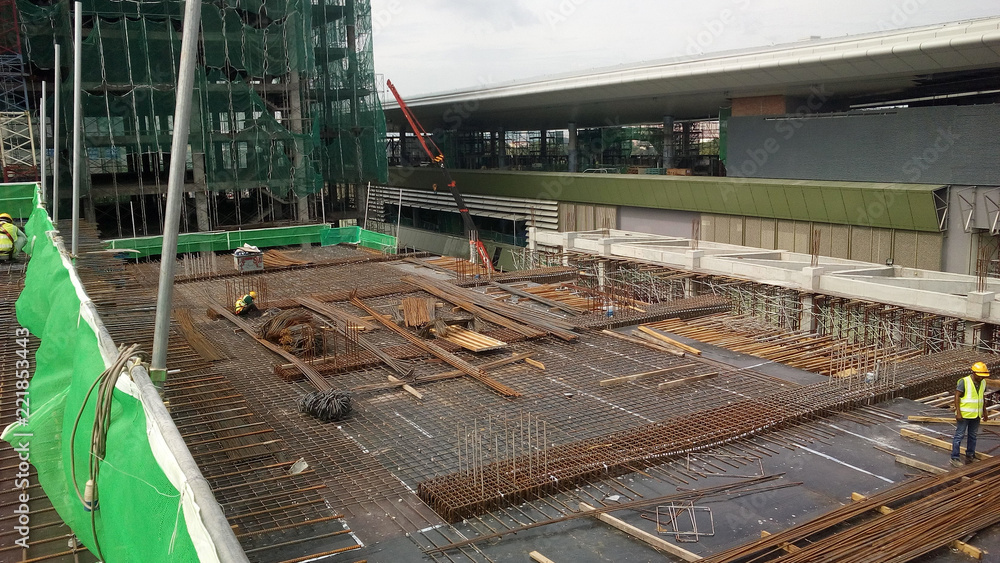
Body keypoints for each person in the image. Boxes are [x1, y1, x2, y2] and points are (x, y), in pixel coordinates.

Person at [951, 362, 991, 467]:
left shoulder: (983, 382)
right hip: (964, 415)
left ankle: (970, 455)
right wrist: (958, 413)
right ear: (974, 372)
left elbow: (981, 397)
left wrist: (985, 412)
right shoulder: (964, 382)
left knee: (973, 436)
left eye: (983, 376)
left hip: (976, 415)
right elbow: (957, 396)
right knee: (959, 436)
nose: (982, 377)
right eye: (980, 375)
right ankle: (955, 458)